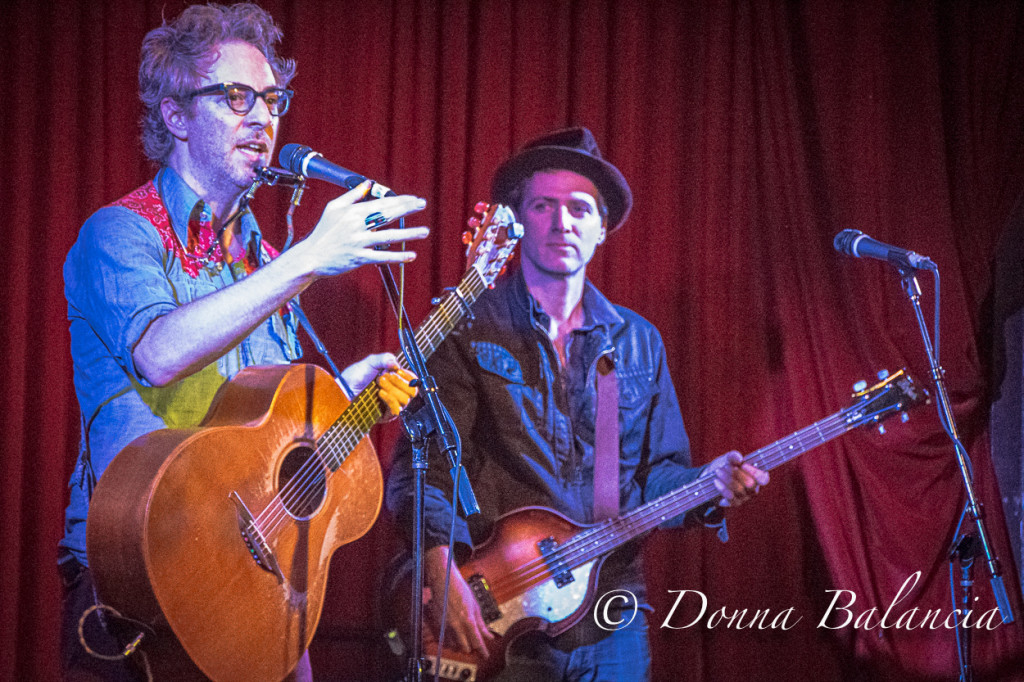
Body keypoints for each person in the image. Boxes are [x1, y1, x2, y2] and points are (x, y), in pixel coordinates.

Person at [58, 4, 426, 680]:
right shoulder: (119, 234)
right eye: (235, 97)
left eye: (272, 99)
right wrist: (309, 258)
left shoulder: (265, 261)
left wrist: (347, 401)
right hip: (142, 582)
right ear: (174, 115)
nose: (262, 118)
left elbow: (259, 427)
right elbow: (160, 354)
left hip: (253, 582)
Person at [385, 127, 769, 681]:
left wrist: (710, 482)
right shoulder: (469, 327)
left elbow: (657, 476)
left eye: (579, 208)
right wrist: (439, 567)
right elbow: (423, 469)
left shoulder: (638, 342)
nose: (562, 222)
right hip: (498, 609)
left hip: (613, 612)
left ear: (602, 228)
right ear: (519, 223)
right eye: (543, 206)